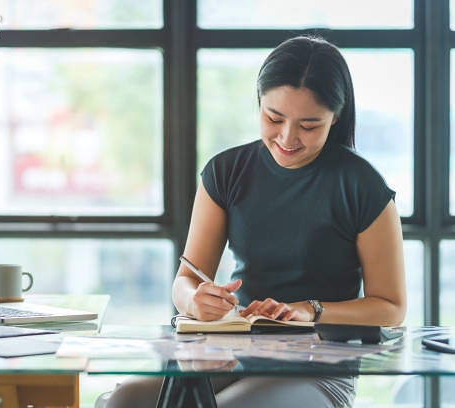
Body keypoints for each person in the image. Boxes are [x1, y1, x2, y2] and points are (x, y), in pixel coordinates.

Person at [103, 35, 406, 408]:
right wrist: (196, 301)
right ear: (259, 102)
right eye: (273, 118)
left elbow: (391, 307)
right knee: (124, 400)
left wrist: (310, 310)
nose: (287, 138)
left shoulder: (363, 186)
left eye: (309, 126)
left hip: (319, 366)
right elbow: (186, 281)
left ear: (335, 117)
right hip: (232, 353)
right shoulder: (226, 172)